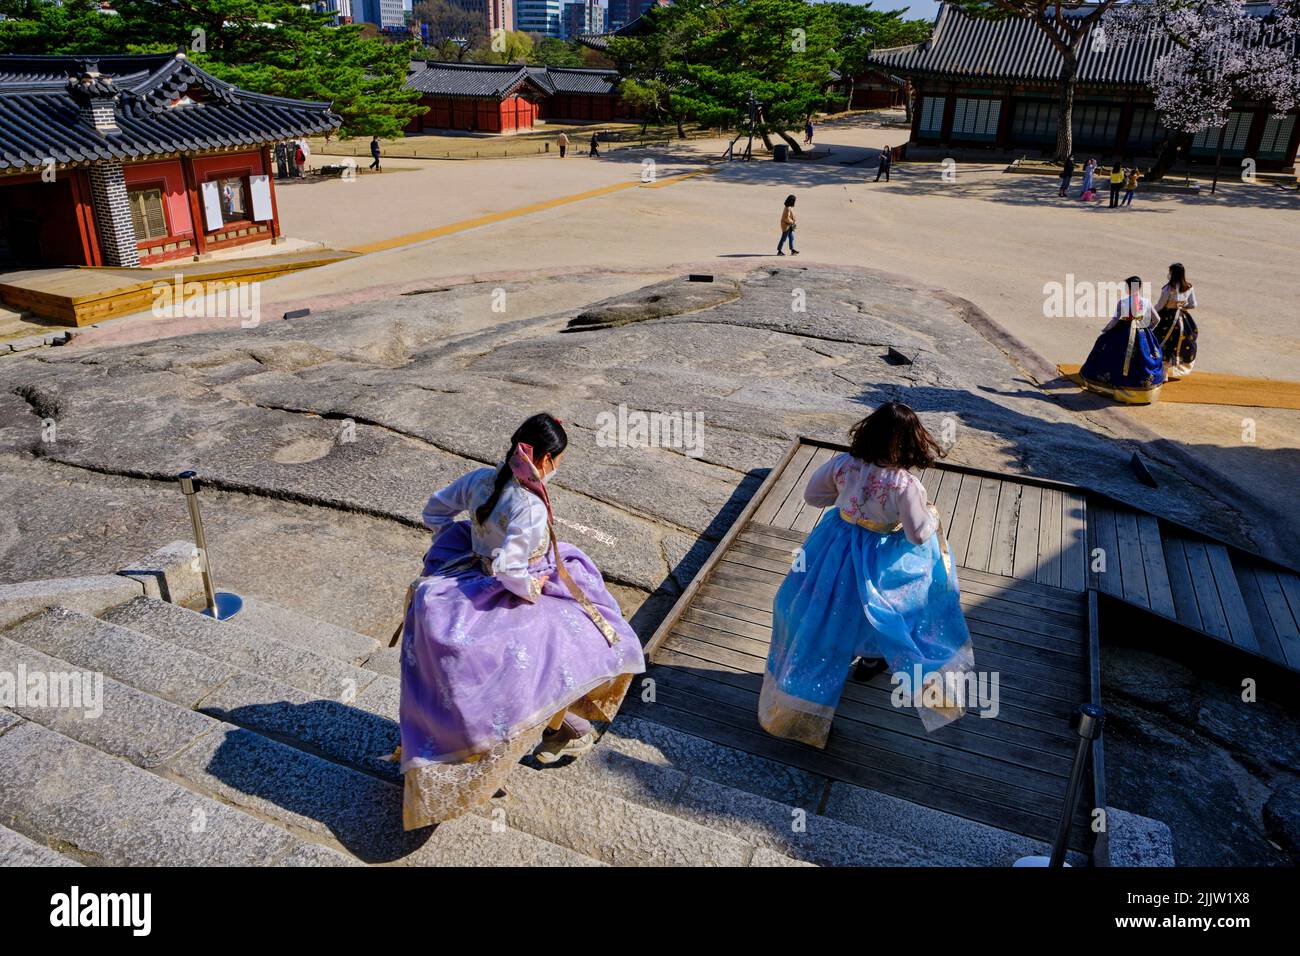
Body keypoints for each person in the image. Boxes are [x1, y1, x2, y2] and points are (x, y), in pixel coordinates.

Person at [396, 413, 645, 829]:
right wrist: (531, 588)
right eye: (558, 459)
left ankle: (556, 732)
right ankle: (568, 730)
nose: (558, 466)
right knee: (579, 650)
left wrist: (463, 544)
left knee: (534, 672)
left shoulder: (479, 479)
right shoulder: (528, 505)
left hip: (464, 580)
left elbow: (434, 511)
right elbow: (511, 567)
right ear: (545, 459)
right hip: (513, 586)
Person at [759, 402, 974, 748]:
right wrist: (932, 515)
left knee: (827, 605)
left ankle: (804, 688)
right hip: (878, 554)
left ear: (868, 432)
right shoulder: (904, 484)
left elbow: (813, 496)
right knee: (883, 605)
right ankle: (874, 656)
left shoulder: (845, 464)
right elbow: (918, 534)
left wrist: (844, 498)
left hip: (834, 545)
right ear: (910, 442)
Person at [1078, 276, 1166, 403]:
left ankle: (1111, 386)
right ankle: (1141, 391)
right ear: (1140, 287)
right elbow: (1156, 319)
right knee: (1142, 361)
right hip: (1142, 332)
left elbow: (1115, 320)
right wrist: (1148, 331)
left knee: (1111, 353)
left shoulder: (1124, 302)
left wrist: (1106, 330)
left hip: (1123, 332)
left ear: (1129, 288)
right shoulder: (1146, 302)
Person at [1152, 262, 1198, 380]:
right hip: (1183, 319)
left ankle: (1163, 374)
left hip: (1167, 319)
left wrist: (1150, 312)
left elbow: (1160, 305)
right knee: (1179, 344)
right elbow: (1193, 304)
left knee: (1162, 342)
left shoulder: (1168, 288)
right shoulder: (1189, 287)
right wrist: (1182, 306)